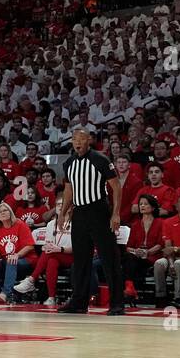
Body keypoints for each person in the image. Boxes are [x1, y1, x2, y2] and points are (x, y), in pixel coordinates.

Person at [57, 126, 124, 314]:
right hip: (79, 212)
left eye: (81, 138)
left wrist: (115, 213)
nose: (77, 142)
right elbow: (69, 190)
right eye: (74, 139)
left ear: (89, 141)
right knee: (80, 260)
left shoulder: (100, 159)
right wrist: (62, 213)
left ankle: (117, 303)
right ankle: (78, 302)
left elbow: (116, 187)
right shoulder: (69, 163)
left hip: (99, 211)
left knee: (109, 258)